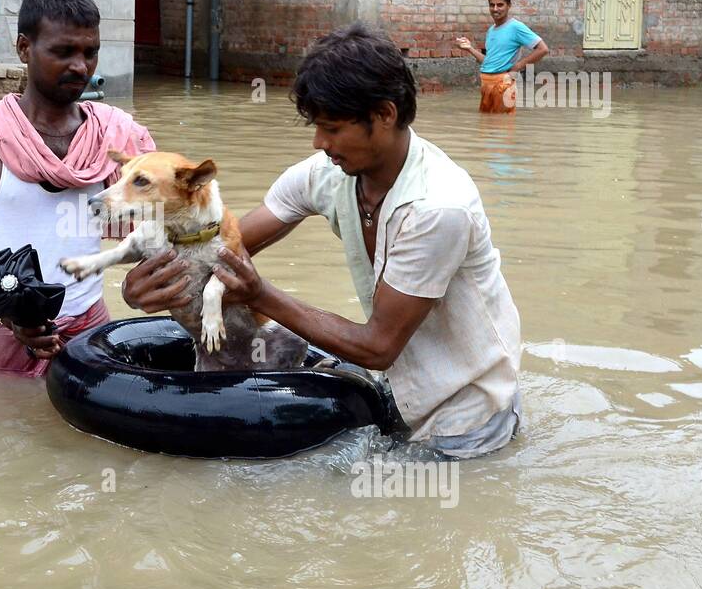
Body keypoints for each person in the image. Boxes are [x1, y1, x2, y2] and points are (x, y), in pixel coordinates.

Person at [123, 24, 522, 458]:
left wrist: (261, 294)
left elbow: (377, 346)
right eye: (317, 127)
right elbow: (226, 247)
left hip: (466, 414)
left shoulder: (438, 207)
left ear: (385, 115)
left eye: (331, 128)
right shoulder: (329, 172)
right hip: (399, 390)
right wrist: (144, 282)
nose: (319, 143)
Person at [0, 0, 156, 376]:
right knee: (2, 428)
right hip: (1, 331)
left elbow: (160, 230)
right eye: (63, 52)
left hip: (92, 329)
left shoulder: (113, 136)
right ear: (24, 48)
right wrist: (14, 317)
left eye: (90, 52)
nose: (80, 66)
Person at [456, 0, 549, 113]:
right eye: (492, 5)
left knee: (503, 126)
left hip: (503, 84)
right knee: (486, 126)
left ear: (508, 5)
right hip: (486, 84)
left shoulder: (516, 27)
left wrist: (518, 66)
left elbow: (543, 49)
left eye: (500, 5)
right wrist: (470, 49)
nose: (495, 9)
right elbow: (489, 61)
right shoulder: (491, 30)